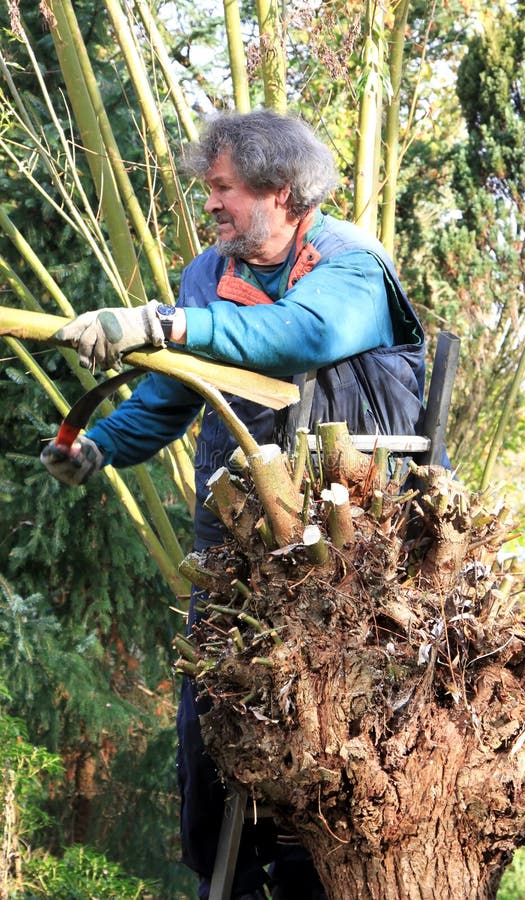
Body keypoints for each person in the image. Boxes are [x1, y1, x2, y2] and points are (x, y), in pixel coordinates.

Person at [41, 110, 426, 899]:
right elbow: (171, 394)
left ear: (280, 190)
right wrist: (98, 445)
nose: (210, 204)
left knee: (335, 728)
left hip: (349, 544)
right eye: (208, 189)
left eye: (223, 189)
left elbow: (301, 335)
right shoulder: (206, 275)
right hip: (233, 538)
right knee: (212, 717)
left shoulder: (352, 264)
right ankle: (232, 883)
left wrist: (163, 323)